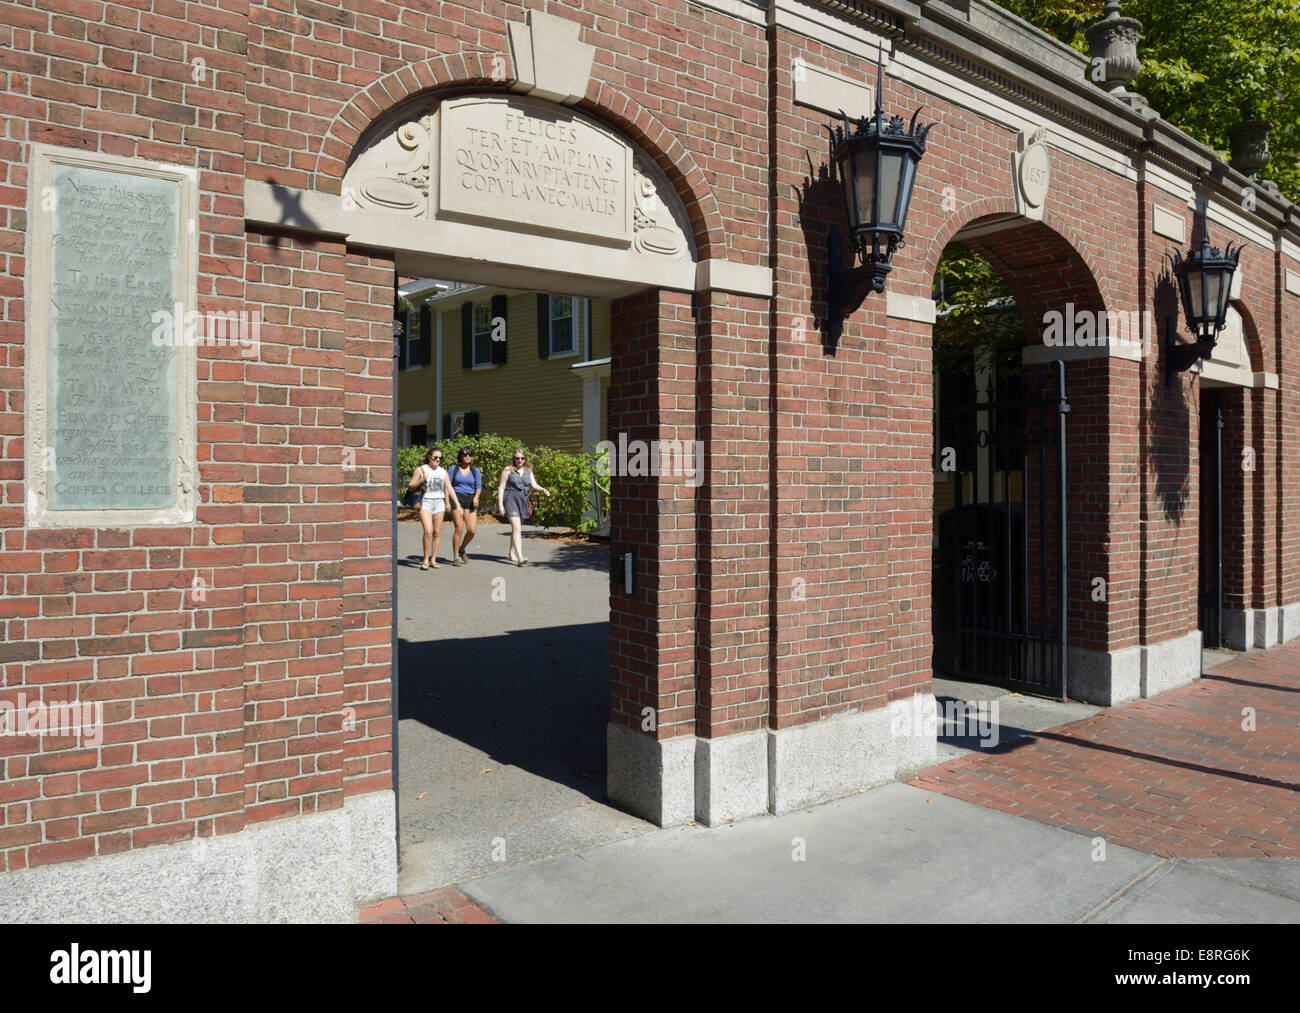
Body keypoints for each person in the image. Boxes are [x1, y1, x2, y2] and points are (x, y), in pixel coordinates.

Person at [407, 448, 460, 570]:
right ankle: (425, 559)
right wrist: (422, 479)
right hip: (425, 502)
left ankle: (433, 559)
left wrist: (457, 504)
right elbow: (411, 486)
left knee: (437, 533)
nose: (438, 460)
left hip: (439, 503)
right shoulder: (421, 469)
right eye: (435, 457)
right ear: (429, 456)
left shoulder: (443, 471)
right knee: (428, 531)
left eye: (440, 458)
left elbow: (450, 488)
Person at [497, 448, 550, 566]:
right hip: (510, 498)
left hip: (523, 499)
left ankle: (511, 552)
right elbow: (501, 487)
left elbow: (533, 484)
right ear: (514, 459)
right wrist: (500, 505)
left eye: (522, 458)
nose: (520, 460)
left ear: (525, 459)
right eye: (517, 458)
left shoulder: (528, 470)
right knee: (517, 528)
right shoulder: (507, 470)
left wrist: (542, 489)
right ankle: (520, 557)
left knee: (516, 528)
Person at [448, 446, 482, 566]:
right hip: (457, 498)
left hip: (470, 499)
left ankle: (462, 548)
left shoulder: (475, 470)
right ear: (461, 456)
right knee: (459, 528)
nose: (468, 456)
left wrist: (476, 497)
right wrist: (447, 502)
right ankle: (455, 557)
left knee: (472, 530)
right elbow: (448, 485)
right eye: (465, 454)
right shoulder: (454, 469)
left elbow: (479, 487)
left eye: (470, 454)